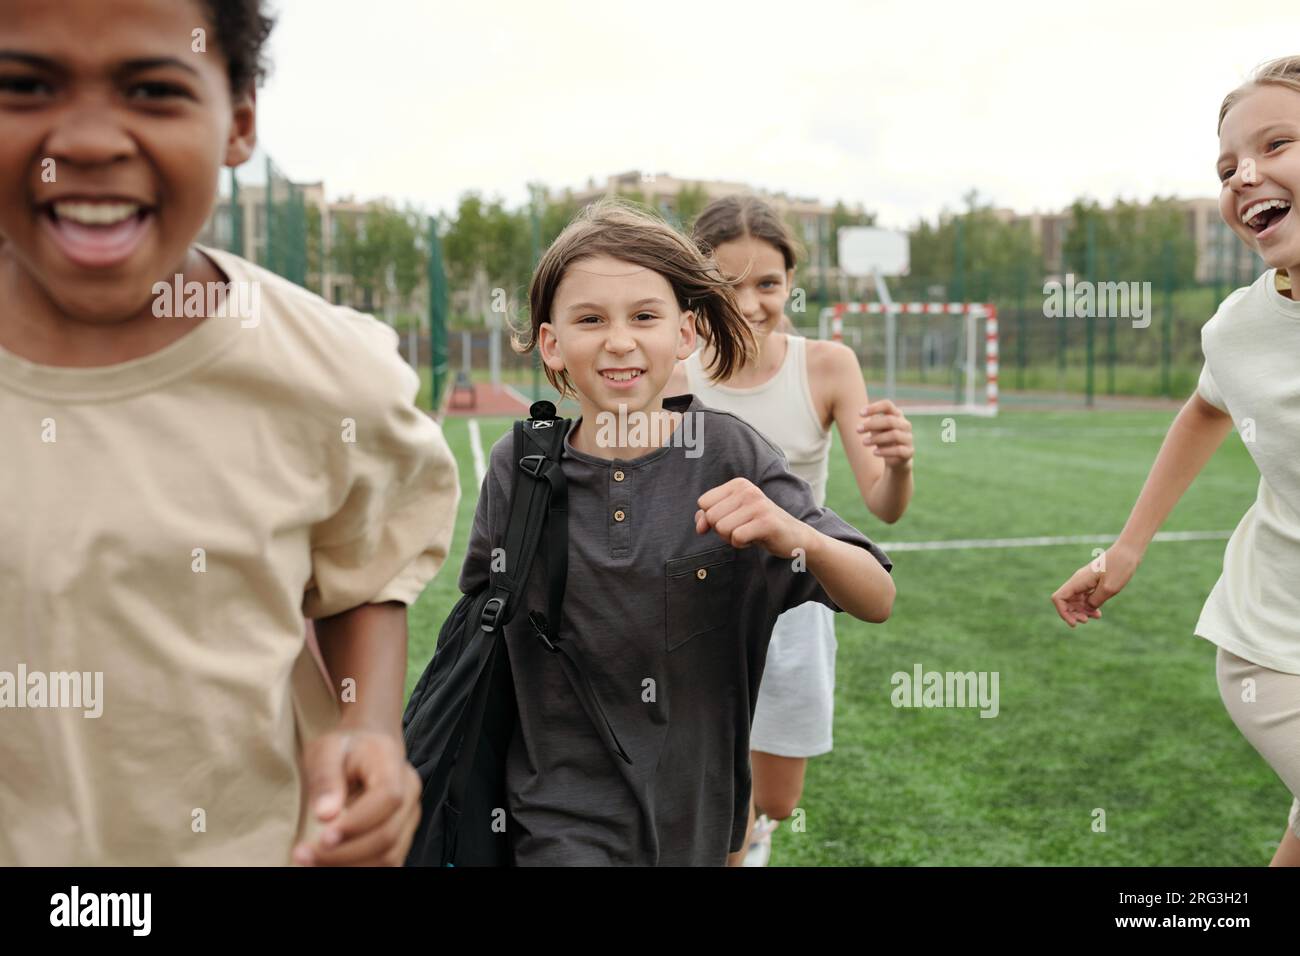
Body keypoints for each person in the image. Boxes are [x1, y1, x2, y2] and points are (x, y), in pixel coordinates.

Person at [0, 0, 460, 865]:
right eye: (25, 84)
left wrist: (366, 731)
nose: (91, 140)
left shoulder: (329, 374)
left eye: (152, 88)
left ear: (238, 120)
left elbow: (365, 572)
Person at [457, 199, 895, 865]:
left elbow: (877, 596)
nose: (619, 340)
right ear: (551, 342)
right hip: (556, 812)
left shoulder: (729, 455)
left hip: (698, 819)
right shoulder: (520, 466)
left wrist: (791, 532)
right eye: (590, 319)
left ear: (685, 334)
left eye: (644, 316)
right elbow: (475, 633)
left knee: (776, 803)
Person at [1050, 55, 1300, 867]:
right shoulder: (1239, 330)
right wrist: (1126, 549)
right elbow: (1203, 407)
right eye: (1228, 167)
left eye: (1277, 143)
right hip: (1276, 644)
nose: (1245, 175)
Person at [671, 195, 914, 865]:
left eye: (768, 284)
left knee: (775, 800)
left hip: (794, 604)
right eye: (729, 284)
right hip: (695, 604)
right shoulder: (672, 370)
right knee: (707, 791)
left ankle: (752, 834)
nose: (750, 303)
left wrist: (898, 465)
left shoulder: (829, 366)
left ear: (790, 285)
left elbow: (883, 506)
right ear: (699, 288)